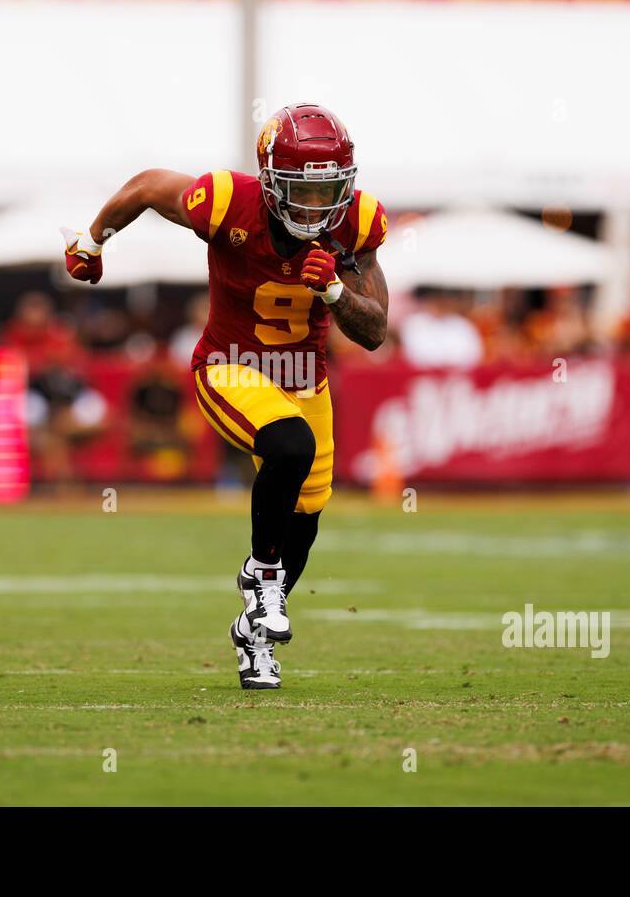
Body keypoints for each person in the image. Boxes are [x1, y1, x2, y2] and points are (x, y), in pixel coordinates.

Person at [60, 103, 389, 689]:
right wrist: (91, 242)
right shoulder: (225, 202)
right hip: (229, 365)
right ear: (270, 184)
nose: (317, 207)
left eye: (328, 191)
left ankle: (253, 636)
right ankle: (260, 578)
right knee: (291, 446)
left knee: (306, 520)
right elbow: (145, 187)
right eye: (301, 192)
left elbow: (374, 331)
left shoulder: (357, 224)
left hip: (302, 374)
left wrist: (336, 291)